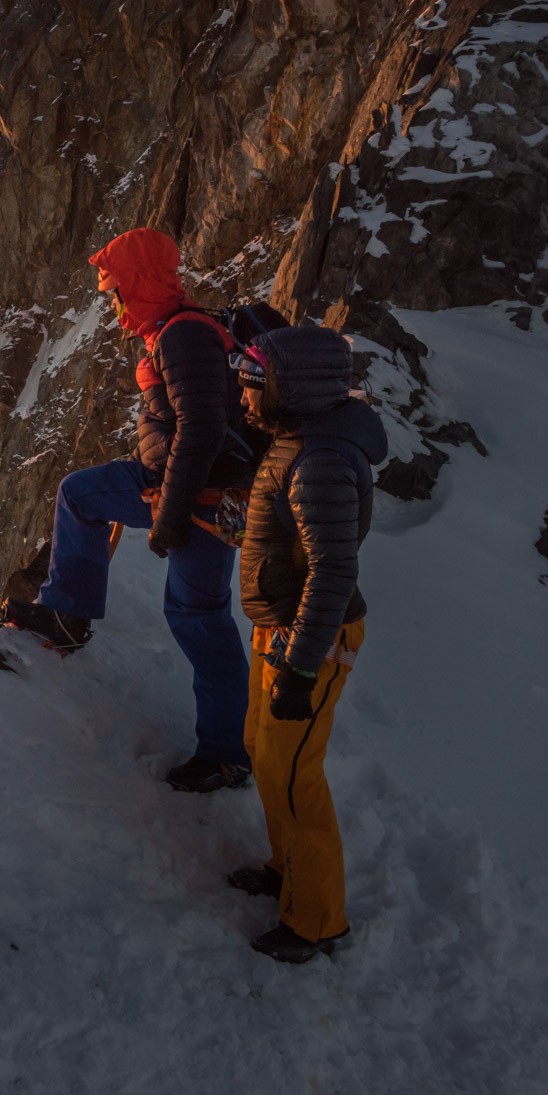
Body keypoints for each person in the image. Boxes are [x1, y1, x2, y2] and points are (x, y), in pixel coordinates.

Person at [3, 228, 261, 793]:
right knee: (84, 497)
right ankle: (69, 615)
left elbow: (203, 428)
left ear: (138, 283)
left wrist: (168, 512)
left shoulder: (184, 336)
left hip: (197, 497)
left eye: (116, 291)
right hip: (187, 487)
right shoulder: (180, 329)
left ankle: (227, 754)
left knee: (197, 616)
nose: (114, 308)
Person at [225, 323, 388, 964]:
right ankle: (284, 865)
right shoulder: (296, 441)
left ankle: (318, 920)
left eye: (251, 386)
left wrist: (298, 669)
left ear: (290, 388)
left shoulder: (319, 457)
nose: (242, 398)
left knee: (294, 775)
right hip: (283, 630)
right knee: (263, 753)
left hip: (311, 641)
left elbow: (333, 570)